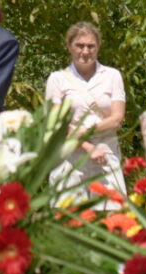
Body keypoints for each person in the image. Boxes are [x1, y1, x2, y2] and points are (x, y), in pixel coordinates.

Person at [44, 22, 127, 190]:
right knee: (67, 214)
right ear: (69, 45)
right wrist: (87, 145)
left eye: (91, 46)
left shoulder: (112, 76)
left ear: (98, 47)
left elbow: (116, 120)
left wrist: (81, 132)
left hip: (106, 156)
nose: (85, 51)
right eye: (79, 46)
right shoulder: (57, 79)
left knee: (111, 213)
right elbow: (55, 123)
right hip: (69, 159)